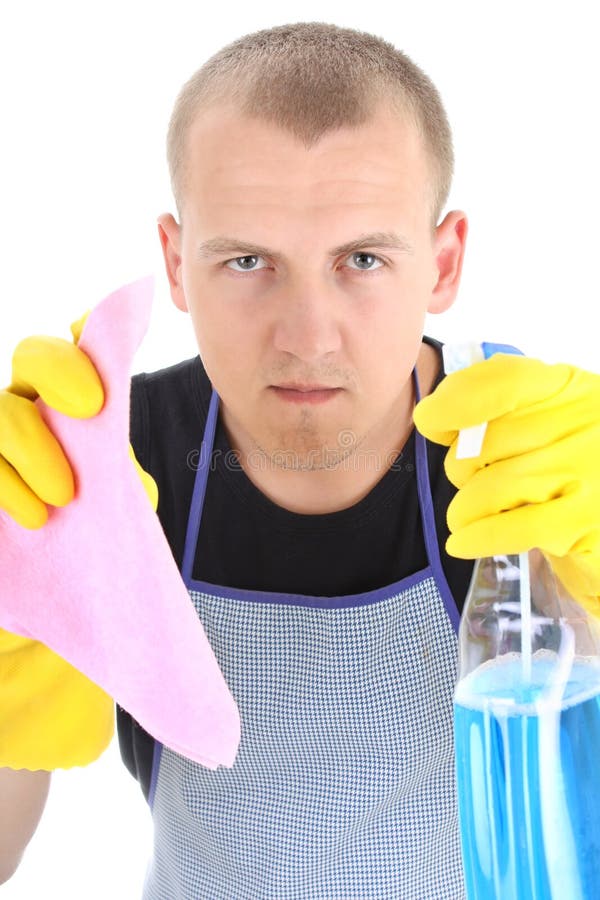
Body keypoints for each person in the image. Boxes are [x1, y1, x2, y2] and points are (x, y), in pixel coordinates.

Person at [1, 21, 598, 899]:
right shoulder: (101, 474)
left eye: (361, 259)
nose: (307, 338)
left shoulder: (543, 469)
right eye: (248, 261)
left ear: (441, 262)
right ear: (175, 262)